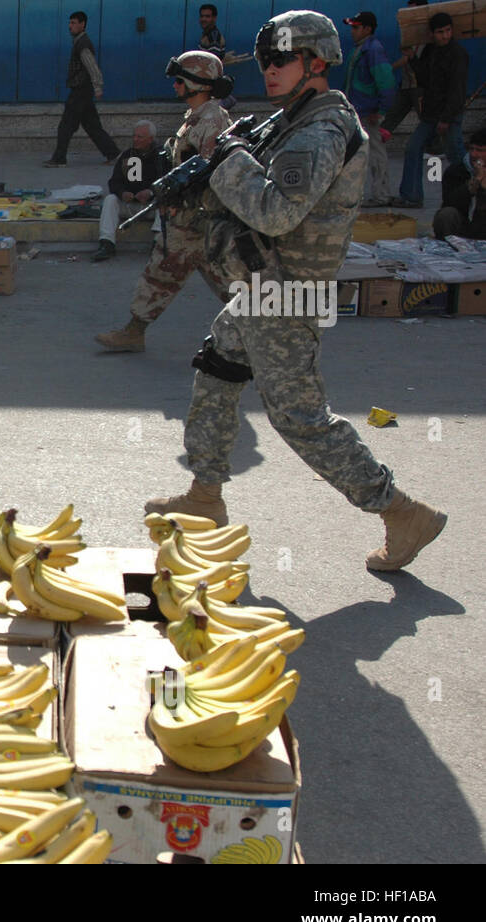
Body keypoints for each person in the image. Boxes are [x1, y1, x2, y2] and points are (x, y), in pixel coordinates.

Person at [144, 11, 446, 573]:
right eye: (265, 60)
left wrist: (229, 162)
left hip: (289, 293)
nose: (269, 69)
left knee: (300, 418)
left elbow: (276, 212)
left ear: (317, 61)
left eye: (281, 59)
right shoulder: (293, 120)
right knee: (217, 367)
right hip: (263, 285)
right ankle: (205, 495)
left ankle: (402, 511)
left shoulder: (320, 132)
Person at [96, 51, 233, 350]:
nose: (175, 86)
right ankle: (134, 331)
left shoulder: (213, 121)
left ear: (197, 83)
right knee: (162, 274)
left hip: (200, 221)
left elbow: (213, 174)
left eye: (180, 80)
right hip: (187, 220)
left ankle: (269, 331)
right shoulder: (195, 119)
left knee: (230, 284)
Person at [393, 11, 468, 208]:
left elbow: (457, 90)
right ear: (432, 34)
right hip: (431, 114)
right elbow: (425, 79)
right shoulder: (431, 51)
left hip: (449, 115)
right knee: (413, 148)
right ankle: (411, 196)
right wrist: (412, 58)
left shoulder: (458, 54)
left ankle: (469, 193)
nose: (445, 36)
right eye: (440, 32)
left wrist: (446, 118)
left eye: (448, 31)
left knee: (457, 156)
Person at [44, 11, 119, 168]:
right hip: (83, 92)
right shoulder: (79, 42)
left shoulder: (82, 44)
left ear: (82, 24)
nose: (70, 26)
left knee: (65, 126)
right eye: (70, 22)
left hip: (80, 92)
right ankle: (113, 154)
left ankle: (59, 159)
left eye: (73, 23)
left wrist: (98, 86)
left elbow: (92, 67)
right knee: (92, 126)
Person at [91, 120, 168, 262]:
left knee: (166, 201)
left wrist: (150, 192)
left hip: (151, 206)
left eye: (140, 137)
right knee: (110, 200)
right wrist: (122, 193)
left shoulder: (162, 156)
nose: (135, 139)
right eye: (134, 136)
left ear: (150, 139)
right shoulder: (128, 155)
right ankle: (107, 243)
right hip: (130, 205)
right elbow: (114, 182)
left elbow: (167, 182)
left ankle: (158, 244)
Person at [343, 12, 396, 207]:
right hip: (359, 112)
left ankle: (381, 195)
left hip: (369, 113)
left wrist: (381, 111)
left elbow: (386, 82)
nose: (352, 31)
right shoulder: (361, 50)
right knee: (362, 155)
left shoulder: (373, 50)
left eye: (356, 27)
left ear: (367, 29)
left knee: (376, 155)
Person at [382, 1, 429, 137]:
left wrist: (390, 68)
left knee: (427, 120)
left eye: (412, 11)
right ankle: (378, 140)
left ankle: (434, 146)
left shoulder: (426, 33)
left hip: (419, 86)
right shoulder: (411, 32)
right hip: (407, 84)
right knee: (391, 118)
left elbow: (408, 57)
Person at [433, 128, 486, 239]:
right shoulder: (456, 170)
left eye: (480, 150)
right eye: (471, 149)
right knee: (446, 215)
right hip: (464, 224)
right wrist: (474, 182)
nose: (474, 154)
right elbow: (449, 201)